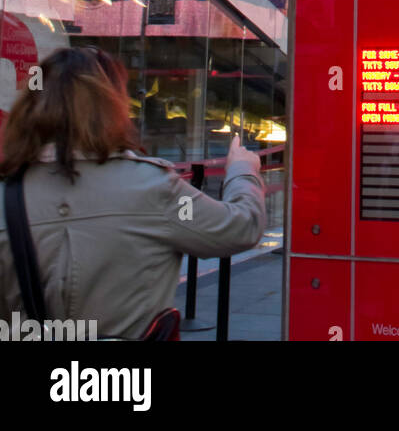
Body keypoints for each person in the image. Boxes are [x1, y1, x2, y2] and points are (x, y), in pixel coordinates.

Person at [0, 47, 265, 340]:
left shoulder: (6, 194)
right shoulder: (152, 186)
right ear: (111, 107)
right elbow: (240, 226)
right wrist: (242, 170)